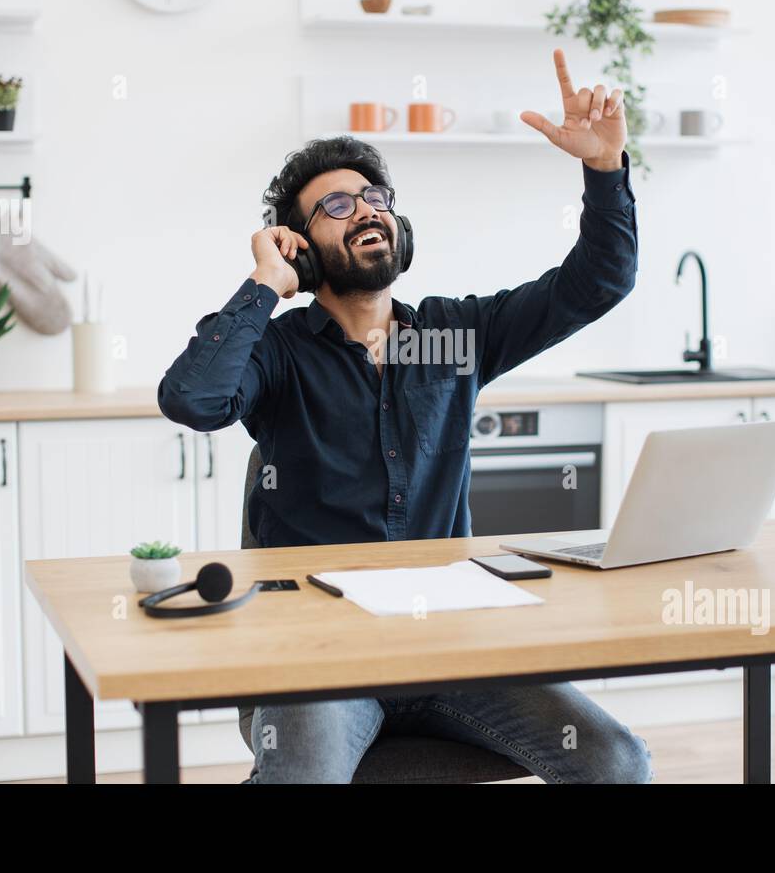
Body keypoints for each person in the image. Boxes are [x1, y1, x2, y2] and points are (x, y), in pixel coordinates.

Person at [159, 49, 651, 783]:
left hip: (451, 648)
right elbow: (192, 399)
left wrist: (605, 171)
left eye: (375, 196)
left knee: (617, 762)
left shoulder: (456, 335)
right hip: (320, 660)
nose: (366, 210)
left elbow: (599, 281)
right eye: (336, 205)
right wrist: (265, 282)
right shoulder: (280, 353)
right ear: (302, 248)